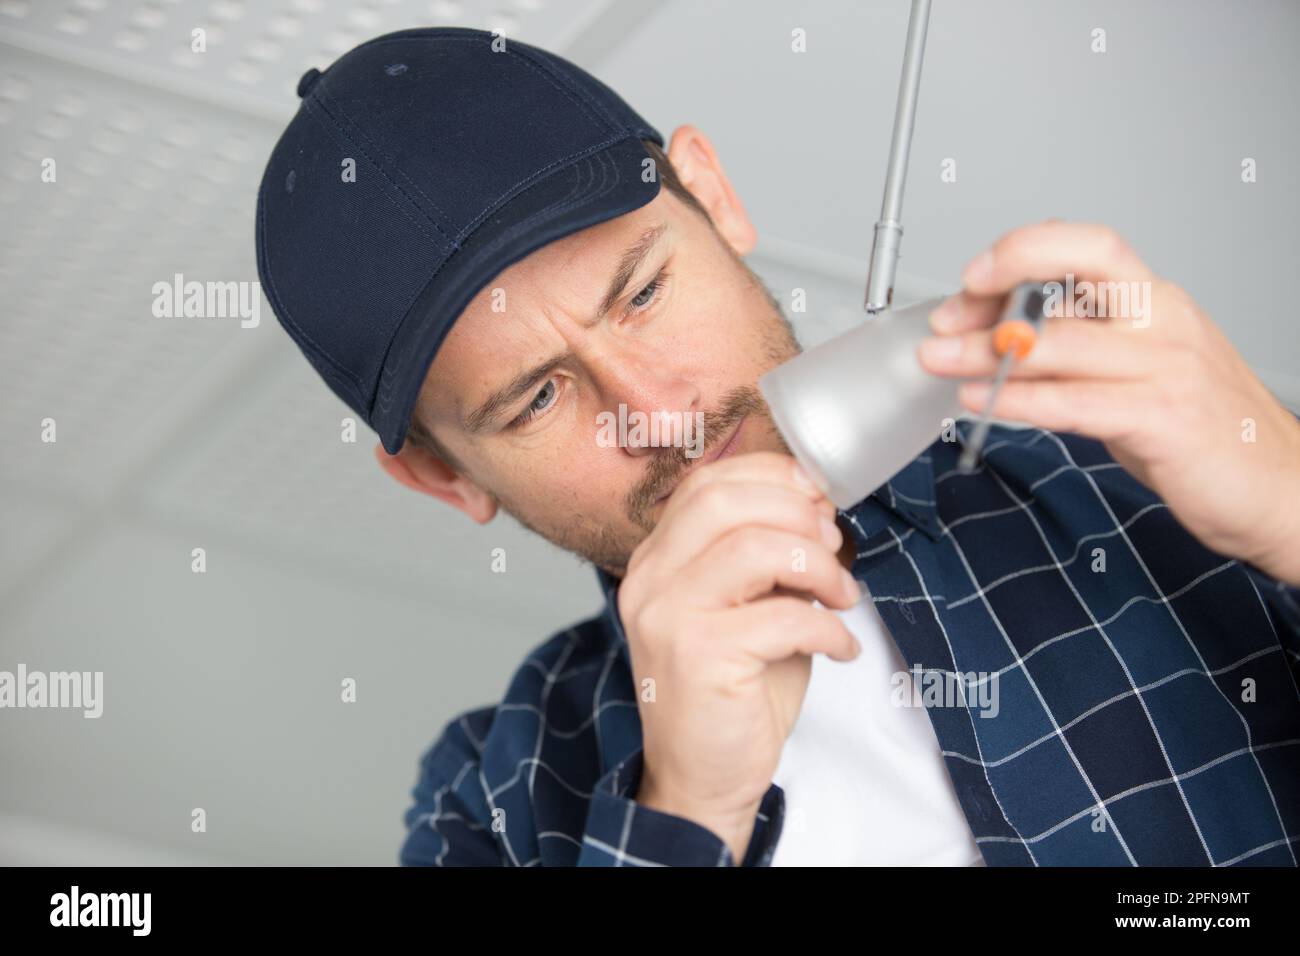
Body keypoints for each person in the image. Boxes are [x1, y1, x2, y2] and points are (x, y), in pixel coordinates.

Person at [254, 27, 1300, 866]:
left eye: (645, 292)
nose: (657, 414)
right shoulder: (492, 800)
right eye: (535, 399)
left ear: (712, 194)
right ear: (439, 474)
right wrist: (686, 814)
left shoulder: (1128, 480)